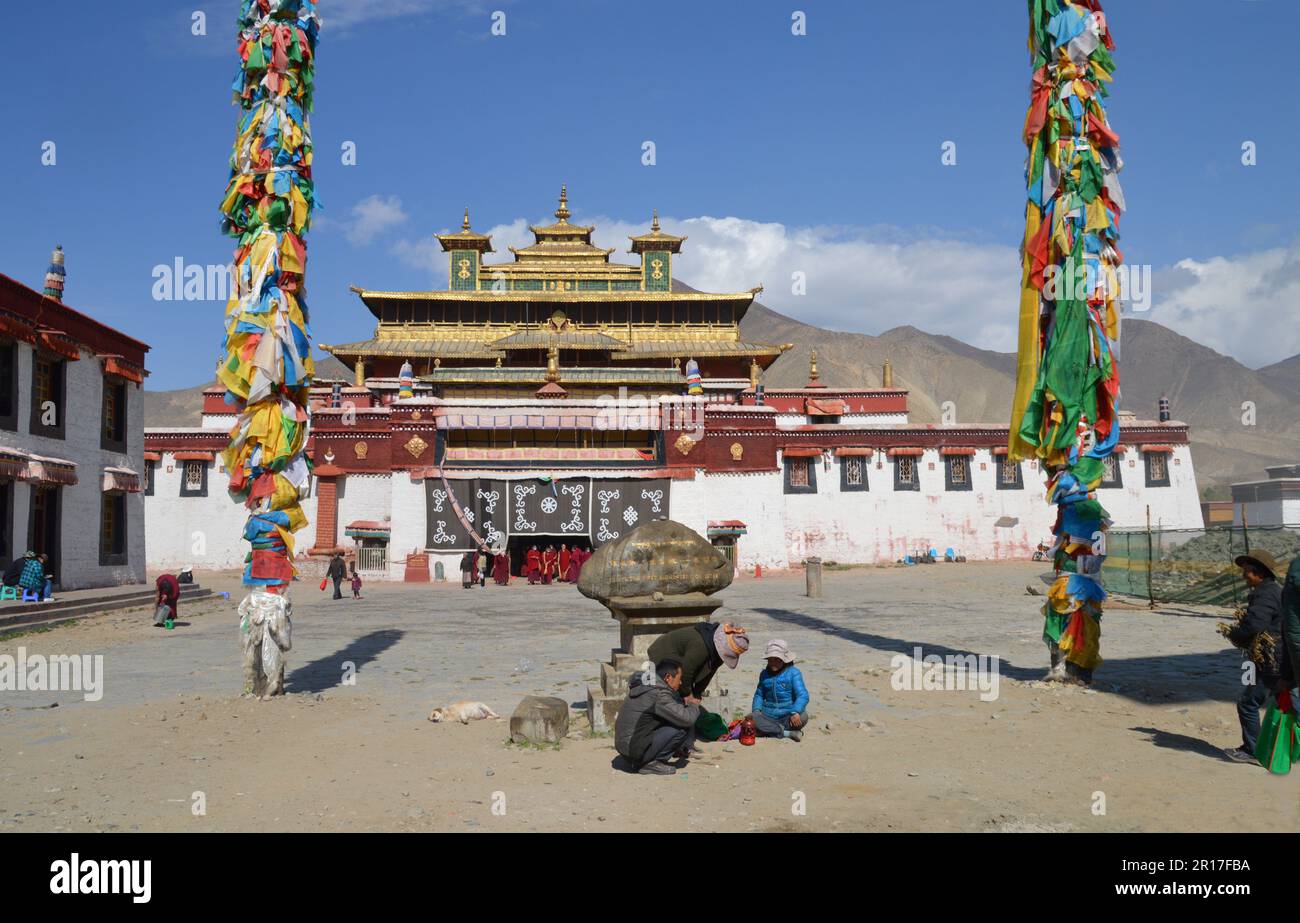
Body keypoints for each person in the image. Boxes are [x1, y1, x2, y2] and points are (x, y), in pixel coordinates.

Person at [1222, 551, 1285, 763]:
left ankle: (1253, 751)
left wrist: (1235, 634)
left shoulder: (1265, 594)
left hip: (1271, 659)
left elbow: (1255, 624)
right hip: (1279, 657)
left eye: (1247, 571)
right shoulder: (1273, 591)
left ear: (1259, 573)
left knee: (1248, 703)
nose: (1244, 576)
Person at [614, 659, 700, 775]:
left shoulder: (645, 686)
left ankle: (648, 757)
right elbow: (687, 719)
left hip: (625, 749)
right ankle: (651, 763)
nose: (680, 683)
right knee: (682, 726)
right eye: (679, 678)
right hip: (633, 751)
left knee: (672, 718)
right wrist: (693, 705)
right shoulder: (659, 693)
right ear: (668, 677)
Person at [647, 621, 749, 705]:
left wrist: (697, 693)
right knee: (670, 693)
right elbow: (686, 671)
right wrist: (687, 694)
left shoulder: (717, 654)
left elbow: (710, 672)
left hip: (683, 663)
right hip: (664, 653)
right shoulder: (700, 645)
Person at [750, 639, 810, 742]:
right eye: (770, 660)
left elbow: (803, 695)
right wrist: (756, 710)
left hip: (788, 715)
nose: (773, 663)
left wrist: (795, 711)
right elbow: (759, 695)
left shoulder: (794, 673)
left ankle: (770, 730)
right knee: (752, 718)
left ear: (784, 659)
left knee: (803, 716)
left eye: (776, 659)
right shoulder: (764, 674)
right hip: (768, 715)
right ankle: (787, 733)